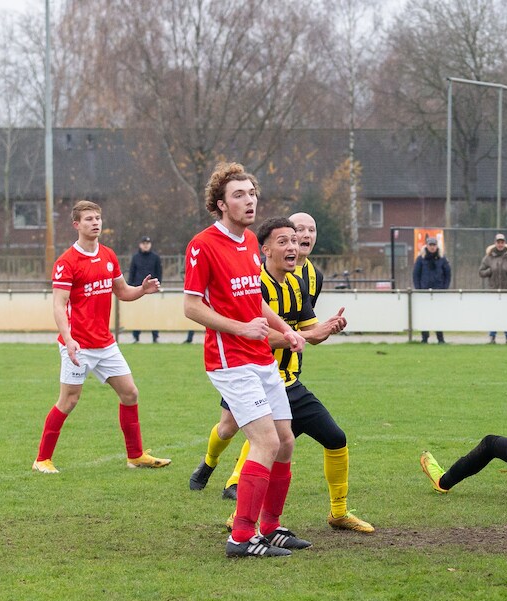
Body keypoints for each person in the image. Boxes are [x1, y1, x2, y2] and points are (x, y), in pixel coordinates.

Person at [189, 213, 374, 535]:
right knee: (235, 431)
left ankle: (337, 513)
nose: (297, 243)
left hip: (287, 380)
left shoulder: (303, 281)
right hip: (250, 373)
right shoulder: (254, 281)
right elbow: (256, 335)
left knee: (330, 438)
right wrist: (302, 336)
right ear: (265, 249)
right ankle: (214, 473)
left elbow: (306, 333)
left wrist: (326, 329)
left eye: (304, 234)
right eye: (288, 238)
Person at [182, 162, 312, 558]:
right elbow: (191, 307)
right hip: (230, 361)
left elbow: (253, 299)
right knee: (265, 441)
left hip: (260, 357)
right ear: (221, 204)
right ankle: (241, 537)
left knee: (285, 442)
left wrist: (285, 329)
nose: (249, 200)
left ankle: (270, 527)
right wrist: (241, 329)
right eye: (239, 195)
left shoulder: (251, 241)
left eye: (252, 193)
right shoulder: (203, 244)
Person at [33, 201, 170, 474]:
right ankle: (42, 460)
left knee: (130, 393)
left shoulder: (108, 255)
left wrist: (141, 290)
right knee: (69, 401)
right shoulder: (66, 262)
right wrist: (68, 339)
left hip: (105, 344)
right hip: (78, 345)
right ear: (76, 225)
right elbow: (59, 305)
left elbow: (123, 292)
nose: (95, 222)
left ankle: (135, 456)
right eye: (89, 219)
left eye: (97, 218)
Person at [479, 233, 507, 344]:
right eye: (498, 242)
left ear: (504, 243)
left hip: (506, 291)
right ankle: (492, 337)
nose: (500, 244)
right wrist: (490, 270)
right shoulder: (488, 258)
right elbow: (481, 272)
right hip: (493, 291)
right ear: (495, 243)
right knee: (493, 314)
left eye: (502, 242)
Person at [412, 236, 451, 343]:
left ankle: (440, 338)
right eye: (430, 245)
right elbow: (416, 275)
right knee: (424, 315)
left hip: (438, 291)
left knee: (438, 315)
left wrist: (444, 288)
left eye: (434, 245)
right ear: (427, 246)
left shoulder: (442, 259)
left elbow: (448, 274)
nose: (432, 247)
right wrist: (419, 289)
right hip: (424, 291)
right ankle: (424, 337)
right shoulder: (420, 259)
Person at [127, 236, 163, 343]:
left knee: (153, 314)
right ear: (140, 245)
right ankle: (136, 336)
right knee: (137, 313)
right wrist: (130, 288)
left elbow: (159, 273)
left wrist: (157, 285)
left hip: (152, 291)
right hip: (138, 290)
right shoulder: (135, 257)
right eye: (144, 243)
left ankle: (155, 336)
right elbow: (132, 273)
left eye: (147, 243)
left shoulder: (155, 257)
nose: (146, 245)